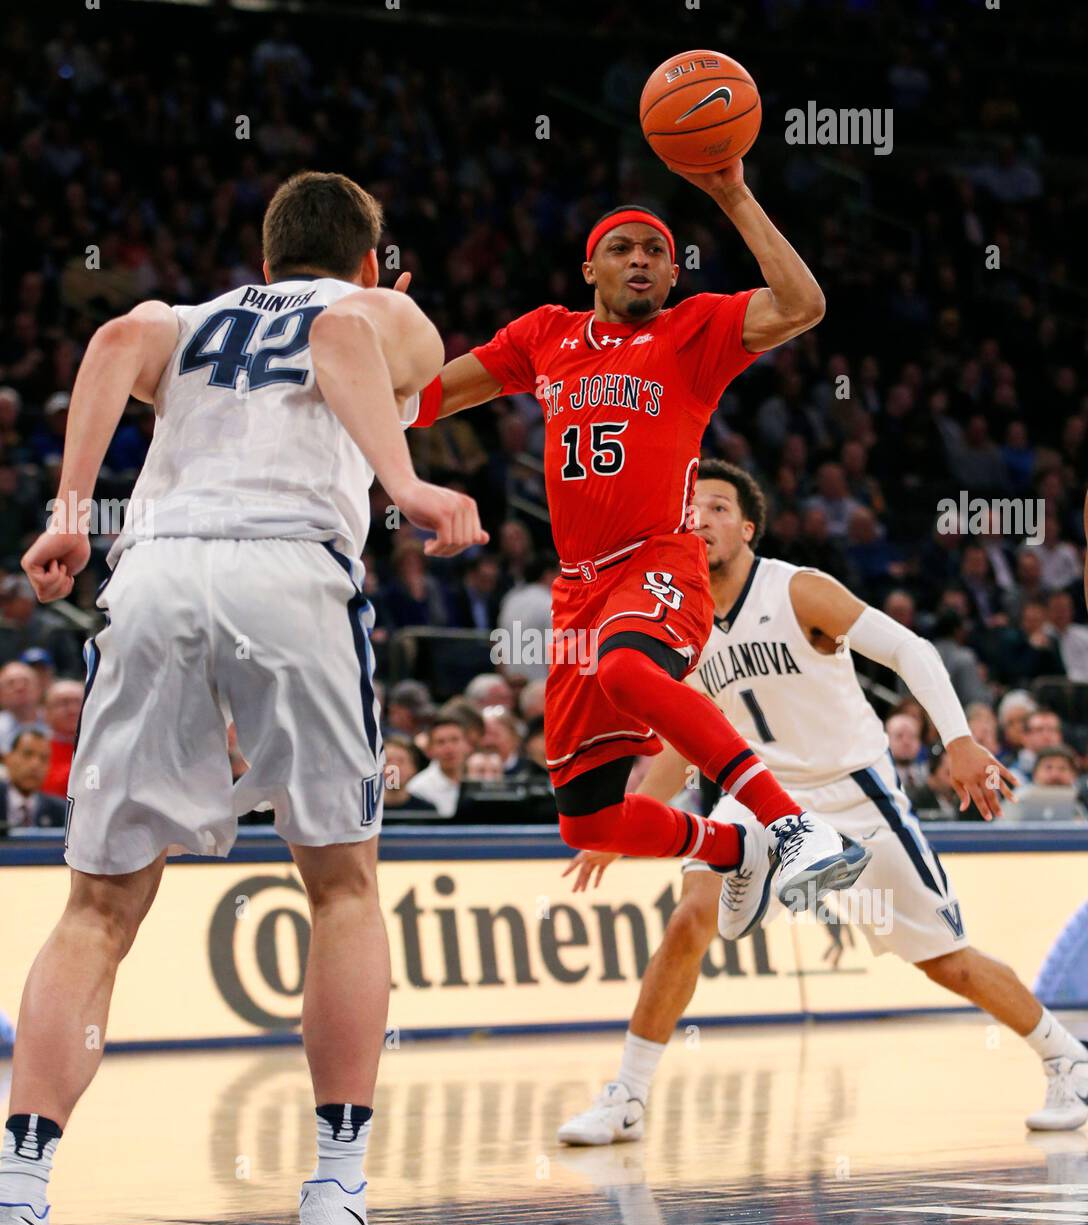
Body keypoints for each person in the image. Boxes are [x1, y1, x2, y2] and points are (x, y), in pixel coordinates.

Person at [0, 171, 485, 1225]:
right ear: (370, 259)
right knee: (342, 890)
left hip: (159, 571)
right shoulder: (376, 305)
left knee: (96, 911)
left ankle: (18, 1210)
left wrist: (72, 512)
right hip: (290, 573)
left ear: (263, 258)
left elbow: (116, 335)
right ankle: (335, 1193)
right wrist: (405, 479)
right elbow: (346, 340)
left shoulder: (185, 317)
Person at [557, 460, 1088, 1146]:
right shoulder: (675, 624)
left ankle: (1066, 1057)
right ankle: (626, 1097)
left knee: (947, 960)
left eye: (717, 508)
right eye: (690, 509)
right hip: (759, 797)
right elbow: (680, 744)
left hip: (853, 793)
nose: (700, 519)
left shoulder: (798, 589)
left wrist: (958, 740)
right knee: (689, 918)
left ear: (746, 529)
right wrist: (623, 825)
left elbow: (909, 649)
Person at [411, 162, 867, 906]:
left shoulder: (694, 331)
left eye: (656, 252)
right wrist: (378, 340)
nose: (641, 261)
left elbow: (803, 304)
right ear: (590, 267)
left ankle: (795, 828)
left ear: (674, 274)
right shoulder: (545, 335)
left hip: (659, 560)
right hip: (578, 587)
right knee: (589, 823)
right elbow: (426, 401)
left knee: (626, 669)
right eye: (623, 248)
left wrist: (732, 195)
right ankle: (737, 845)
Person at [405, 709, 473, 816]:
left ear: (467, 744)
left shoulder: (482, 777)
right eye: (441, 742)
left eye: (455, 740)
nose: (449, 749)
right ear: (430, 750)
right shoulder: (418, 789)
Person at [0, 726, 67, 829]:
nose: (35, 764)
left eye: (44, 758)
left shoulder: (61, 812)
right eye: (27, 754)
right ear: (8, 758)